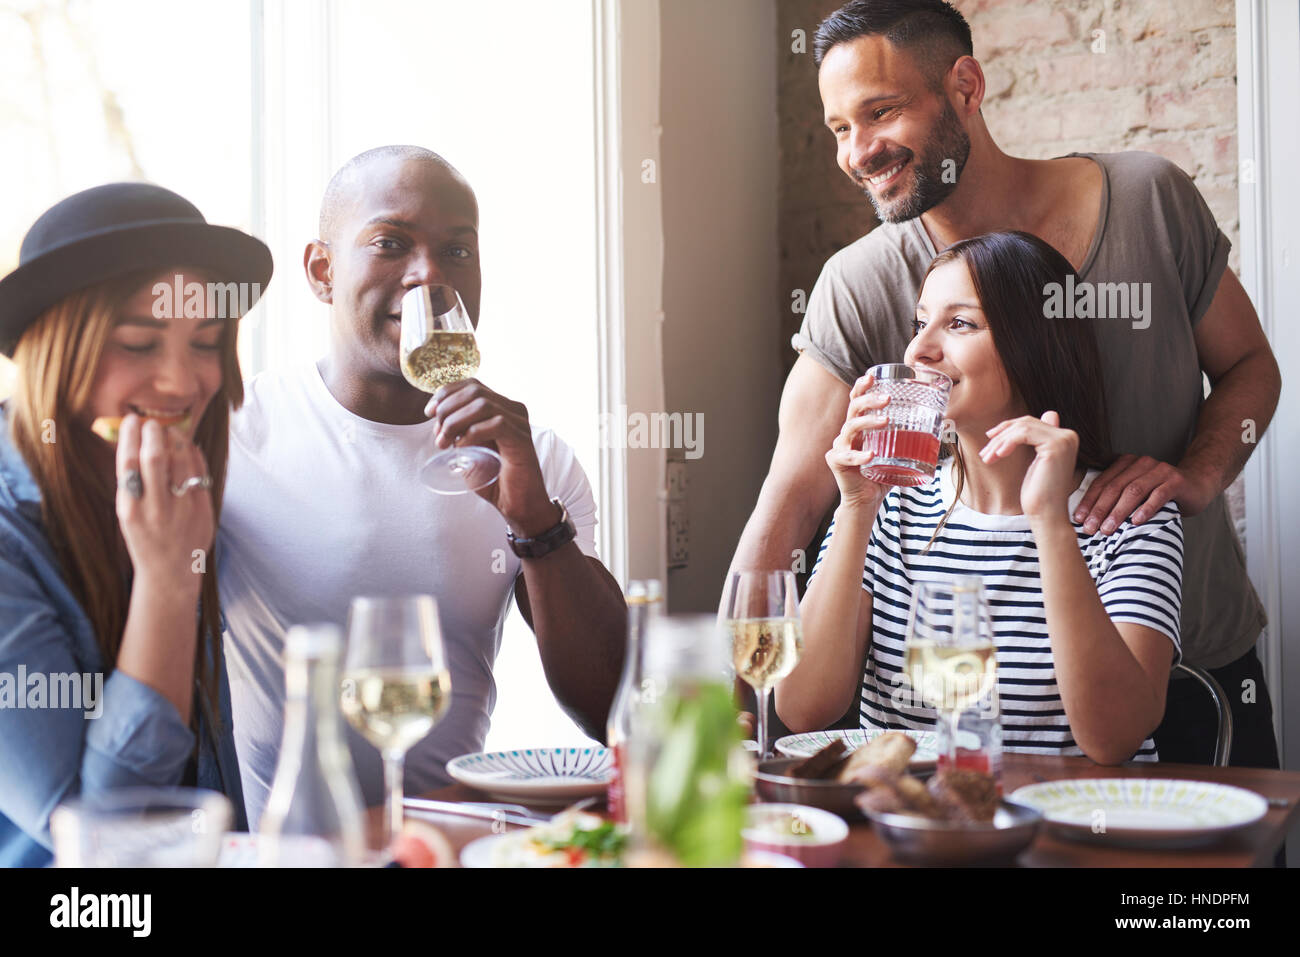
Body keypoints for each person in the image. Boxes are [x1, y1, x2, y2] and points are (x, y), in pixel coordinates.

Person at [733, 0, 1281, 767]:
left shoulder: (1150, 202)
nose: (857, 152)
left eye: (880, 112)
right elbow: (786, 504)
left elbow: (1252, 367)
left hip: (1179, 662)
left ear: (965, 86)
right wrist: (740, 723)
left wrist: (1193, 477)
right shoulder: (857, 285)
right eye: (837, 129)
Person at [219, 145, 627, 828]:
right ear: (322, 271)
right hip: (292, 853)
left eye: (457, 252)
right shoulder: (238, 436)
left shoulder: (535, 457)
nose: (428, 275)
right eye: (390, 243)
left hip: (449, 843)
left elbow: (610, 705)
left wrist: (533, 522)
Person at [777, 231, 1183, 764]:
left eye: (959, 323)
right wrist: (856, 509)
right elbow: (802, 708)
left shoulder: (1131, 515)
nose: (919, 349)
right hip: (912, 828)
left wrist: (1051, 523)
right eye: (919, 322)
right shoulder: (892, 504)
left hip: (1064, 832)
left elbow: (1114, 738)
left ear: (1035, 343)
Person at [0, 182, 272, 865]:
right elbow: (100, 843)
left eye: (206, 342)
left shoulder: (176, 497)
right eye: (138, 343)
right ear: (58, 350)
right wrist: (169, 582)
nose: (182, 382)